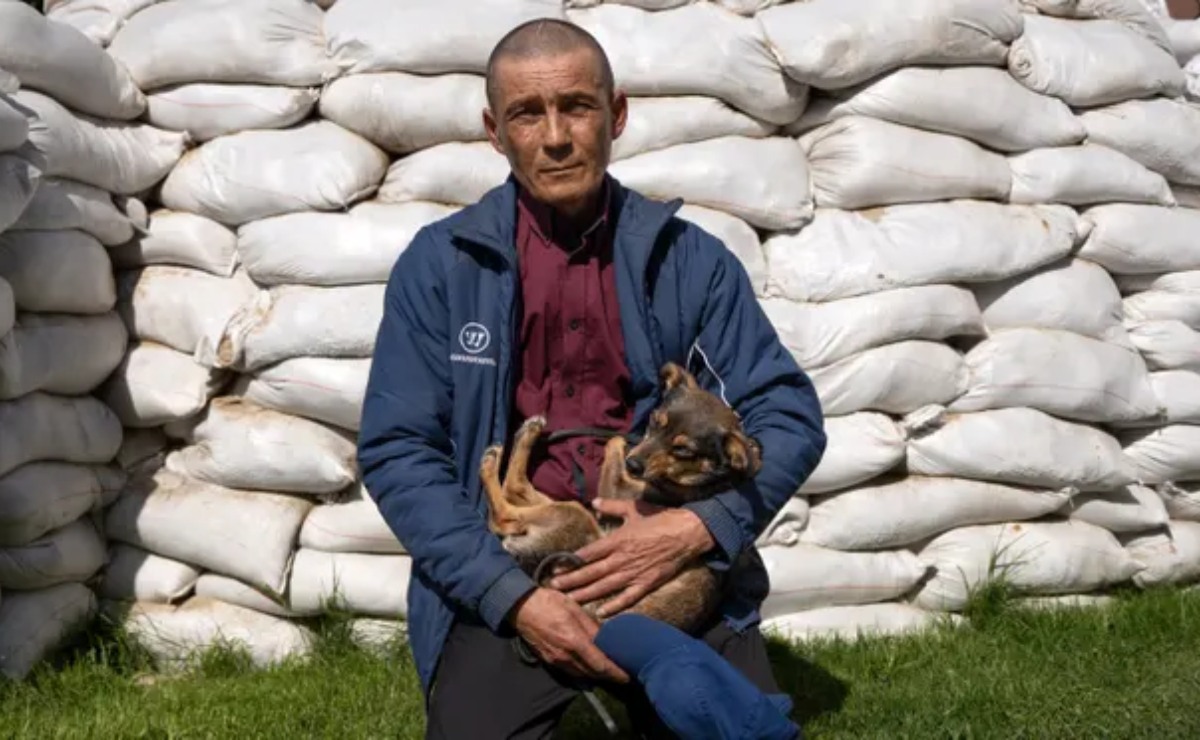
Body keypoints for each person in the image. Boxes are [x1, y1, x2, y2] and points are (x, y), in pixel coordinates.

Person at [356, 17, 826, 740]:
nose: (555, 136)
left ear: (617, 115)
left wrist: (696, 527)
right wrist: (509, 597)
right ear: (493, 130)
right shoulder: (441, 266)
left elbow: (786, 412)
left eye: (576, 106)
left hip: (671, 572)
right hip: (513, 565)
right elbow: (398, 450)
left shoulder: (690, 261)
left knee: (731, 727)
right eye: (526, 113)